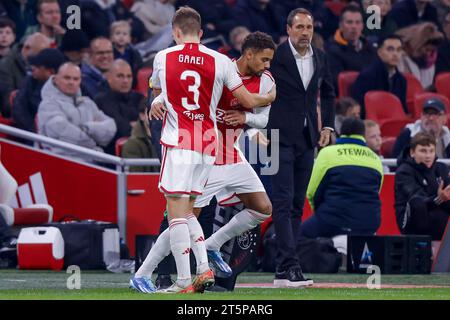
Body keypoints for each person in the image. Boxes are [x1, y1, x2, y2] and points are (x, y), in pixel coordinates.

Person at [129, 6, 275, 294]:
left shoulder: (163, 57)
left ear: (174, 32)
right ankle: (197, 269)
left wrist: (158, 102)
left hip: (179, 140)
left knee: (177, 215)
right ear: (202, 32)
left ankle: (179, 278)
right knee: (187, 215)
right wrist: (270, 96)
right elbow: (246, 98)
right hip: (208, 145)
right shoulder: (220, 61)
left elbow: (157, 92)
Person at [268, 8, 335, 288]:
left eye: (309, 27)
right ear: (288, 29)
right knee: (282, 203)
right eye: (300, 27)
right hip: (273, 138)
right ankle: (289, 265)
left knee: (296, 204)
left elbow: (329, 92)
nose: (306, 32)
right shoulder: (274, 57)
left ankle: (285, 269)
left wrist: (328, 126)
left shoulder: (320, 57)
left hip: (307, 139)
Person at [300, 118, 383, 238]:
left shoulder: (327, 153)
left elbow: (312, 191)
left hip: (331, 221)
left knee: (297, 237)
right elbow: (376, 192)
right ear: (363, 134)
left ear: (341, 132)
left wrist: (320, 213)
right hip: (369, 223)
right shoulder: (375, 159)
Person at [37, 62, 117, 162]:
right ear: (56, 79)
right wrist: (92, 142)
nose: (71, 82)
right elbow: (63, 135)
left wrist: (87, 128)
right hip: (60, 161)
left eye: (75, 79)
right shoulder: (48, 105)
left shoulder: (87, 103)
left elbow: (110, 127)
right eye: (67, 78)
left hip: (92, 159)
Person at [395, 132, 450, 241]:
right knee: (417, 203)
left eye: (431, 151)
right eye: (423, 151)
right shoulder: (404, 171)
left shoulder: (441, 168)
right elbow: (416, 197)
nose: (428, 156)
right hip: (411, 221)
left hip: (438, 218)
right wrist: (439, 199)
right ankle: (422, 245)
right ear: (412, 152)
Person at [94, 59, 144, 154]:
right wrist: (136, 126)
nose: (125, 80)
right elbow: (122, 129)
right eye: (120, 76)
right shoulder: (101, 100)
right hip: (111, 155)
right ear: (109, 78)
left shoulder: (139, 98)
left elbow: (149, 128)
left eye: (129, 76)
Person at [351, 34, 407, 118]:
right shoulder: (366, 76)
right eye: (390, 49)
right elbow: (360, 110)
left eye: (398, 50)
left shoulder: (402, 80)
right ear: (379, 52)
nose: (395, 54)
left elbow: (403, 110)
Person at [325, 4, 377, 93]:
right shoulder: (331, 50)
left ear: (362, 26)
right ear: (341, 26)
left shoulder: (370, 48)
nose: (354, 26)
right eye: (349, 22)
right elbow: (336, 83)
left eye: (357, 22)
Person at [12, 48, 66, 133]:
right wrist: (35, 131)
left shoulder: (70, 87)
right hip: (31, 135)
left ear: (51, 72)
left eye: (37, 66)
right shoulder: (30, 81)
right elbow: (19, 109)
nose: (33, 68)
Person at [0, 32, 51, 117]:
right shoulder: (5, 66)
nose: (43, 58)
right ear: (26, 48)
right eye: (40, 54)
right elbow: (7, 105)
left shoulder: (43, 65)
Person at [396, 22, 444, 90]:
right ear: (417, 45)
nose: (428, 53)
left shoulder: (431, 60)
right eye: (427, 50)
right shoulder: (399, 57)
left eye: (432, 51)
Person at [121, 102, 158, 172]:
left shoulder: (174, 140)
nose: (158, 114)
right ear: (142, 116)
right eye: (152, 111)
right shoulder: (132, 144)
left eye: (162, 110)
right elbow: (136, 178)